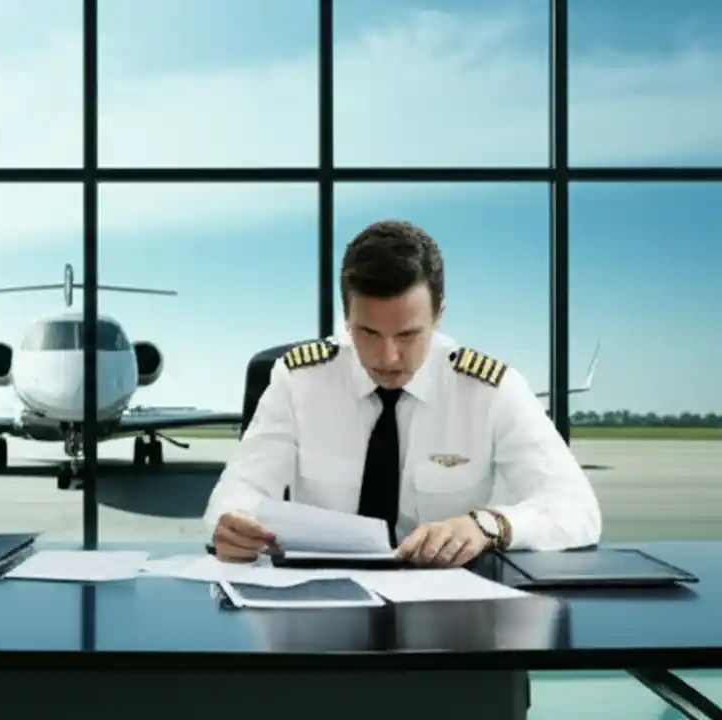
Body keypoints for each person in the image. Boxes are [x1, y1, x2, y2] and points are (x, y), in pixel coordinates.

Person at [205, 220, 602, 567]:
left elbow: (578, 511)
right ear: (347, 318)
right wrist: (233, 524)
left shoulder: (490, 390)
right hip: (322, 606)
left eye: (408, 335)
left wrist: (489, 525)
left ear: (438, 315)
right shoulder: (299, 380)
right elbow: (235, 495)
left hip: (453, 615)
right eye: (368, 333)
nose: (388, 356)